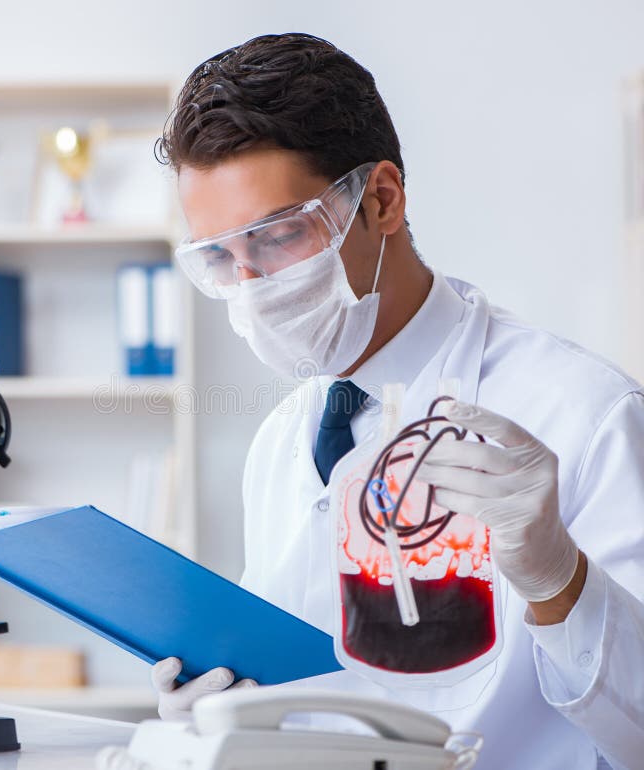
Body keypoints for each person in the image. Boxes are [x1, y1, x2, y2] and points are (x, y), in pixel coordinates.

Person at [149, 33, 644, 769]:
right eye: (219, 257)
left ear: (381, 199)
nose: (250, 287)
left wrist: (561, 583)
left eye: (279, 236)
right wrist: (219, 713)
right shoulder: (284, 437)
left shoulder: (584, 412)